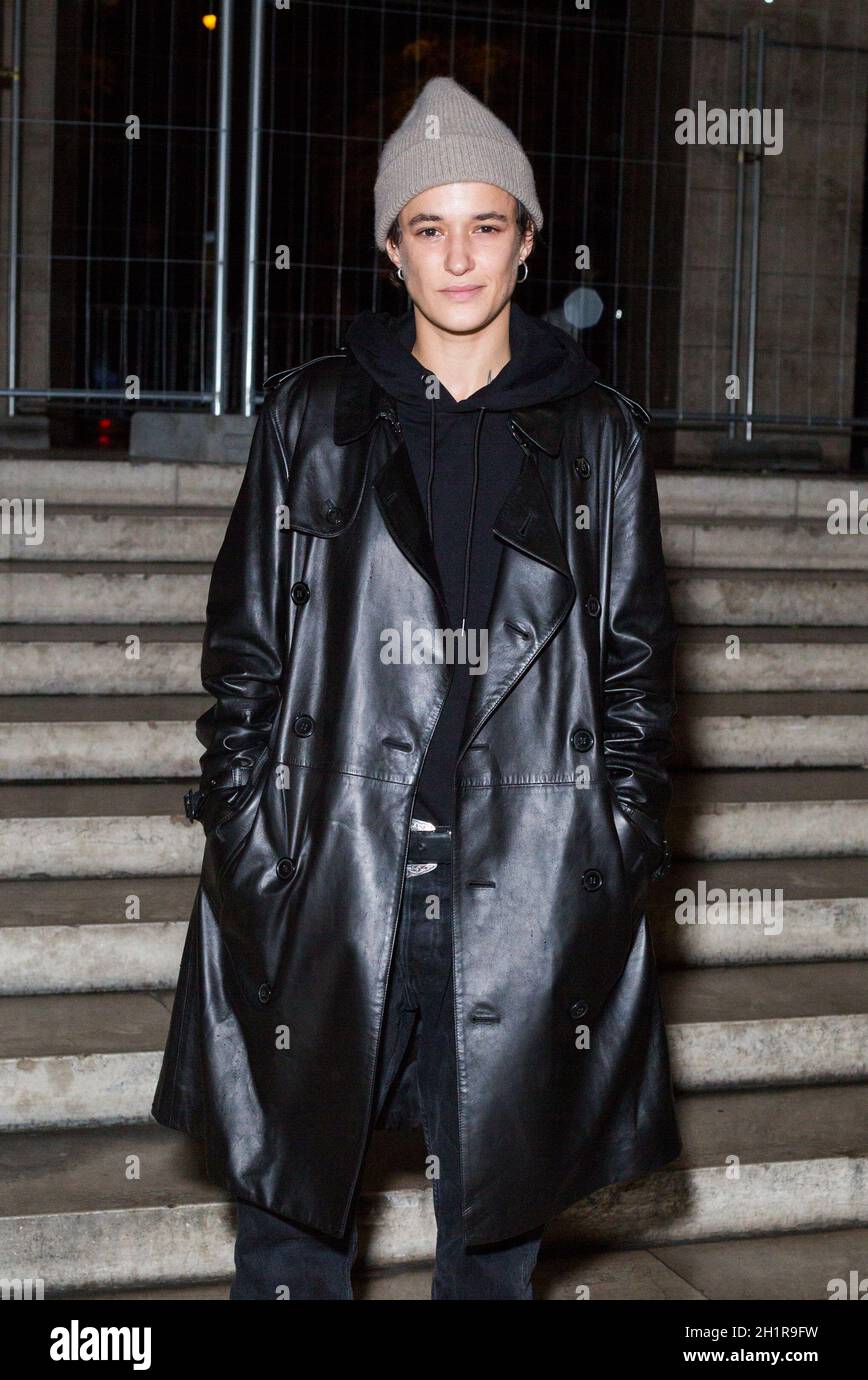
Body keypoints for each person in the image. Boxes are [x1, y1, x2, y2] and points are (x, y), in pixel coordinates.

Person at [152, 75, 680, 1301]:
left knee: (491, 1244)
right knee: (289, 1234)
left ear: (528, 241)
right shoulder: (314, 414)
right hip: (328, 870)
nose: (459, 255)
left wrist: (616, 841)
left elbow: (638, 668)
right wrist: (250, 836)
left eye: (485, 224)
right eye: (427, 226)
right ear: (391, 248)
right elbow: (242, 651)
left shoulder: (598, 433)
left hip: (527, 884)